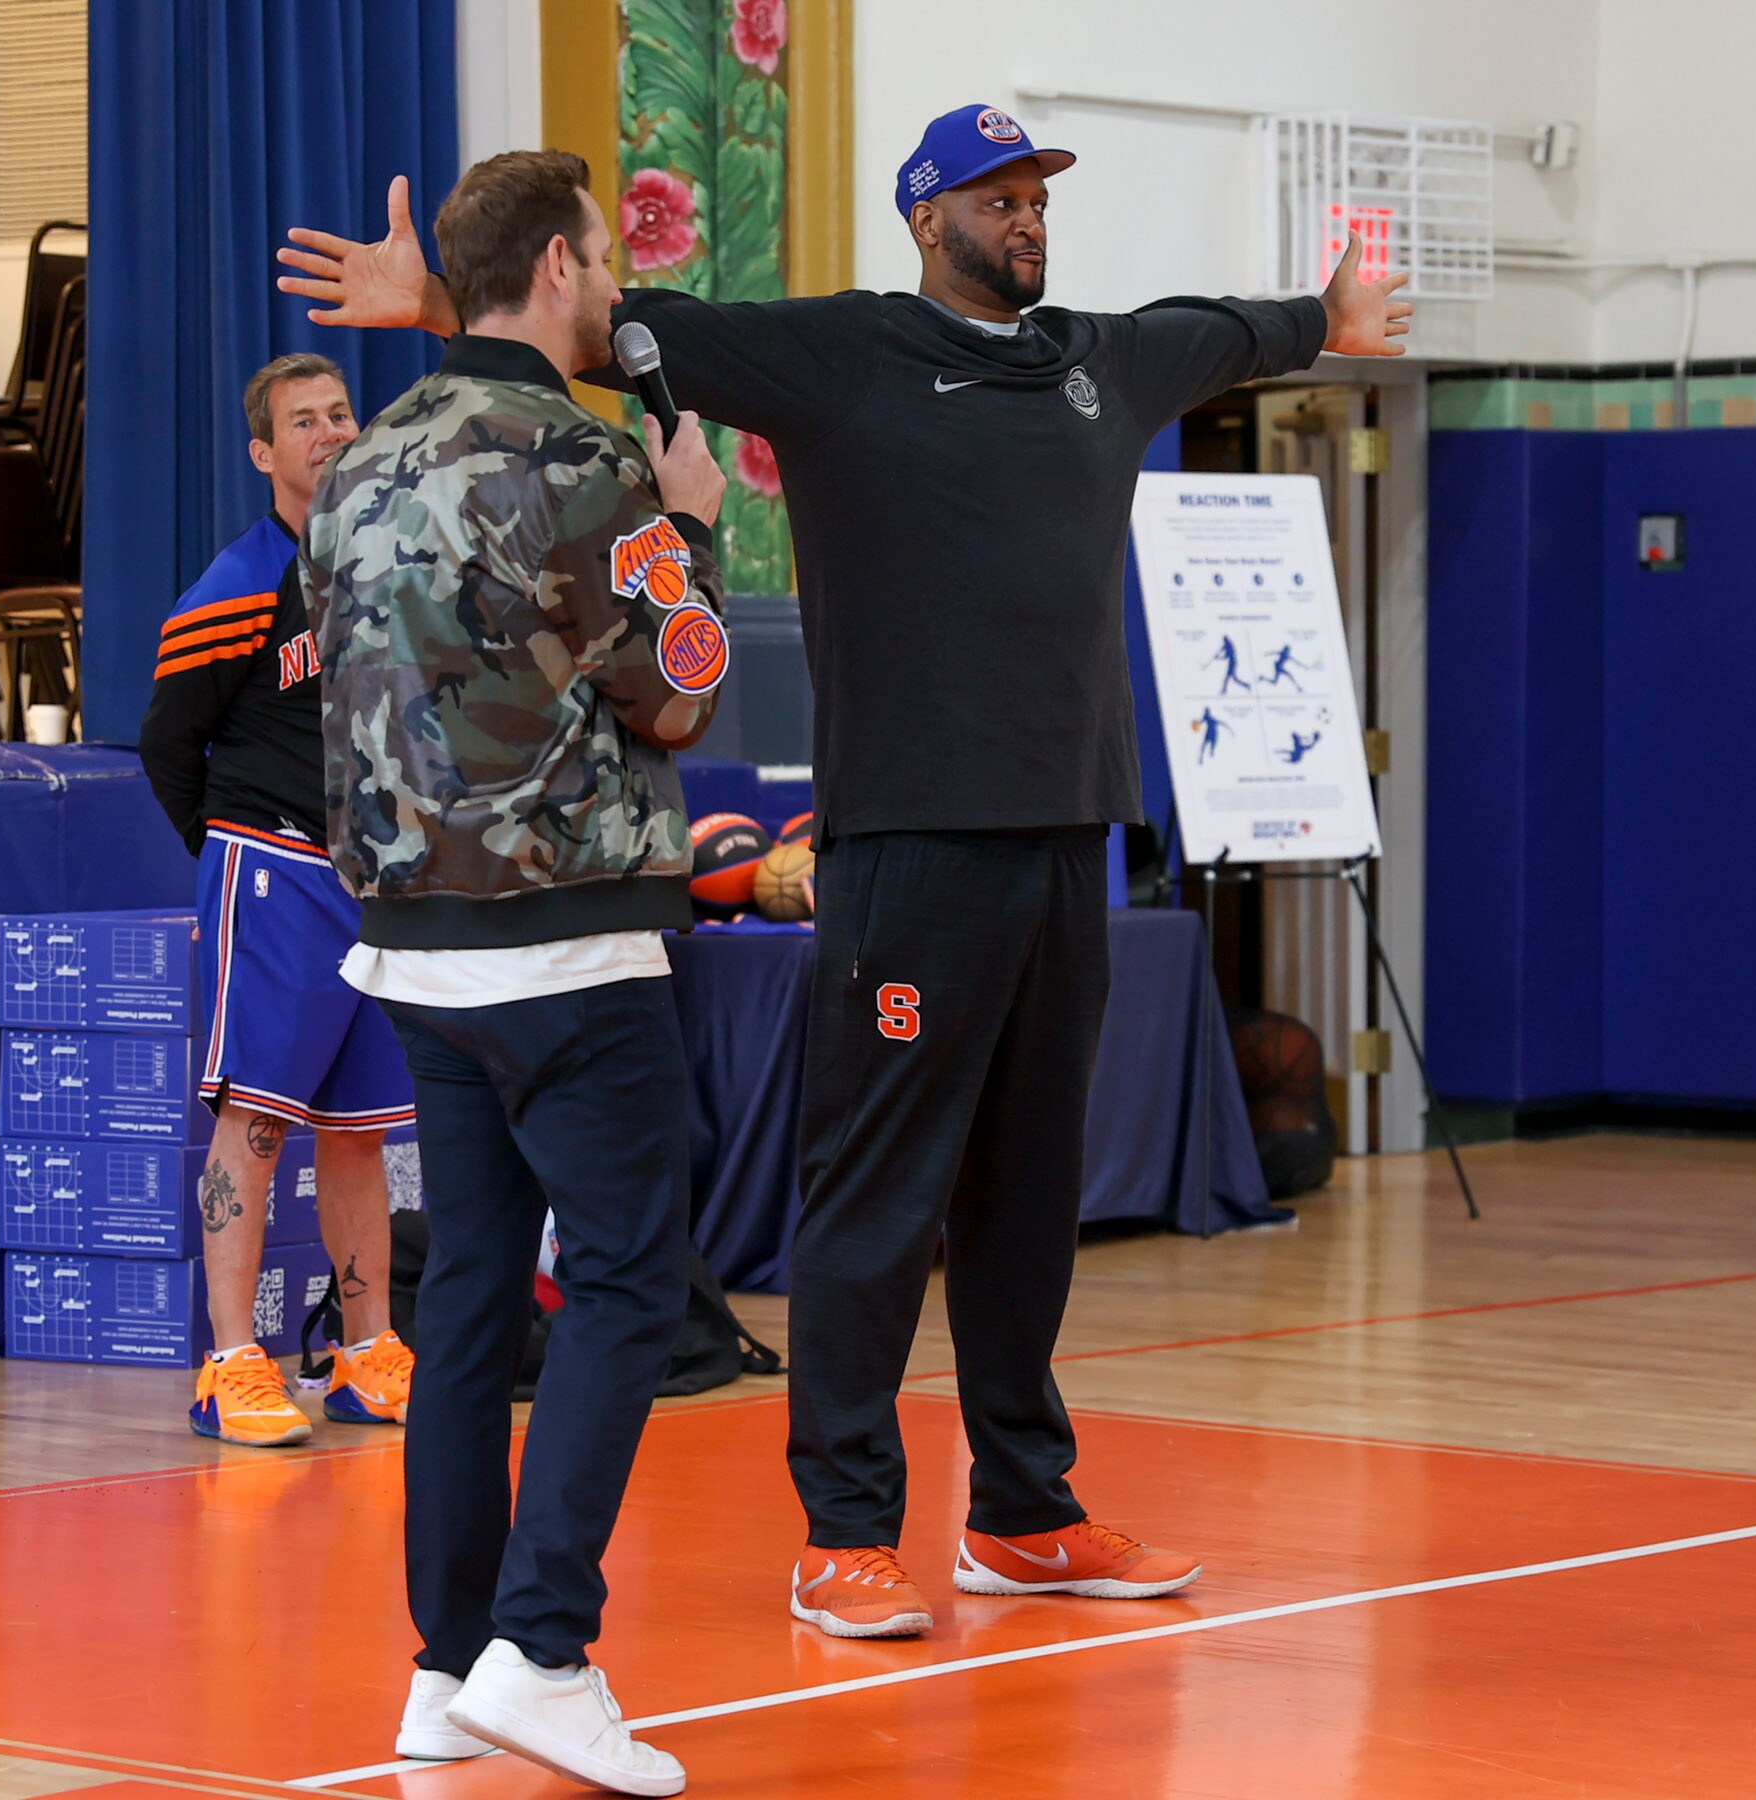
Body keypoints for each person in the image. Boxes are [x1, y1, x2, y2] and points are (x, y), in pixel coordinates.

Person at [277, 102, 1411, 1642]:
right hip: (905, 850)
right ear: (924, 213)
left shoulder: (1102, 362)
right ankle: (845, 1529)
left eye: (1039, 199)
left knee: (1029, 1190)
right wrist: (438, 300)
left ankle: (1023, 1510)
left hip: (1067, 838)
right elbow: (619, 328)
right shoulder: (847, 354)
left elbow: (1219, 333)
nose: (1028, 219)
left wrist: (1327, 320)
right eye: (997, 197)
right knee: (879, 1193)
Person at [297, 150, 728, 1796]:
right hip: (569, 940)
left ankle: (441, 1666)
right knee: (625, 1280)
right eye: (606, 258)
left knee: (470, 1304)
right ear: (555, 269)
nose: (615, 282)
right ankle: (543, 1648)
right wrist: (685, 524)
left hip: (411, 944)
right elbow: (679, 692)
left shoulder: (356, 464)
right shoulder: (585, 457)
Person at [137, 353, 418, 1447]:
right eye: (303, 421)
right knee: (254, 1123)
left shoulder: (387, 564)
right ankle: (228, 1362)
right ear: (264, 454)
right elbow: (169, 747)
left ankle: (365, 1350)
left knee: (357, 1135)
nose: (329, 432)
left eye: (341, 412)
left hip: (370, 880)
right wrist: (231, 859)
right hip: (275, 869)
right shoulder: (240, 585)